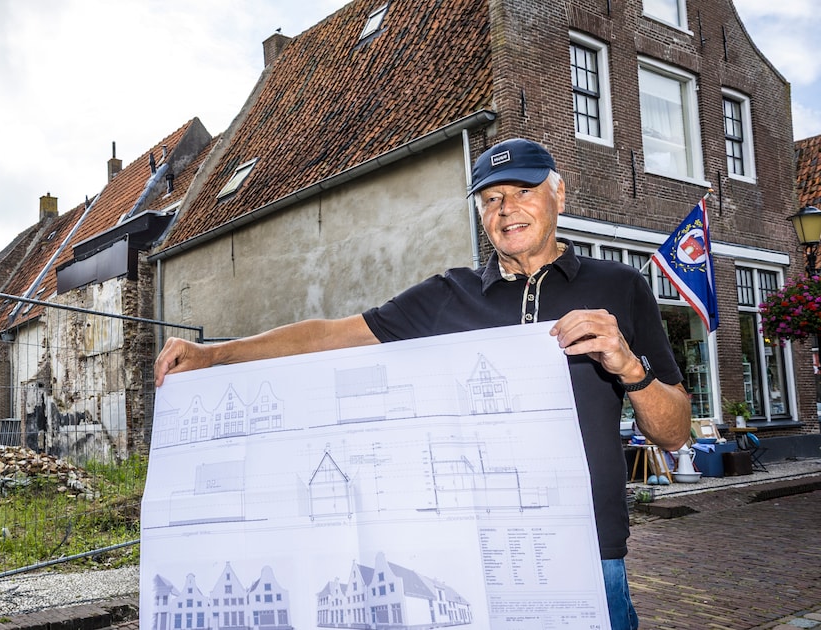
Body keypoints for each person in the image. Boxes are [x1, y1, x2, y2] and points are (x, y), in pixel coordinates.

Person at [154, 137, 691, 630]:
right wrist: (214, 355)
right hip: (470, 556)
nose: (506, 209)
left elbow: (674, 434)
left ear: (558, 195)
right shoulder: (447, 296)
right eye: (490, 199)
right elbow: (330, 337)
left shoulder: (620, 288)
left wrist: (629, 367)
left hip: (591, 554)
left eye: (523, 192)